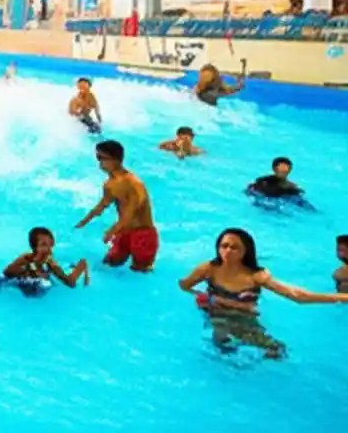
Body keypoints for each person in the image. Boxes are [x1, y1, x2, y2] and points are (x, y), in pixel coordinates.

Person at [179, 228, 348, 359]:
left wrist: (343, 297)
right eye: (224, 246)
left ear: (246, 251)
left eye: (235, 247)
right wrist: (207, 298)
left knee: (276, 351)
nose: (228, 251)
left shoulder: (256, 276)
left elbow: (298, 296)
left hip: (245, 319)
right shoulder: (209, 269)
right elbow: (185, 286)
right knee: (223, 348)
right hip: (216, 314)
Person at [76, 140, 158, 272]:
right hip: (124, 232)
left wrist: (111, 231)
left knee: (140, 271)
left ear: (116, 160)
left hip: (142, 234)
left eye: (102, 158)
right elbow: (102, 205)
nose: (99, 162)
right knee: (109, 263)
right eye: (97, 157)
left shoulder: (133, 183)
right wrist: (84, 221)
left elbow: (130, 214)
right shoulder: (109, 184)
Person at [0, 227, 89, 296]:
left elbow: (70, 283)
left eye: (50, 244)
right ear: (35, 247)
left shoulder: (51, 263)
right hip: (22, 283)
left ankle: (75, 266)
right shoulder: (26, 258)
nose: (49, 248)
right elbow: (6, 272)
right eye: (43, 245)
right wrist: (29, 269)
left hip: (37, 288)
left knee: (46, 285)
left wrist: (80, 267)